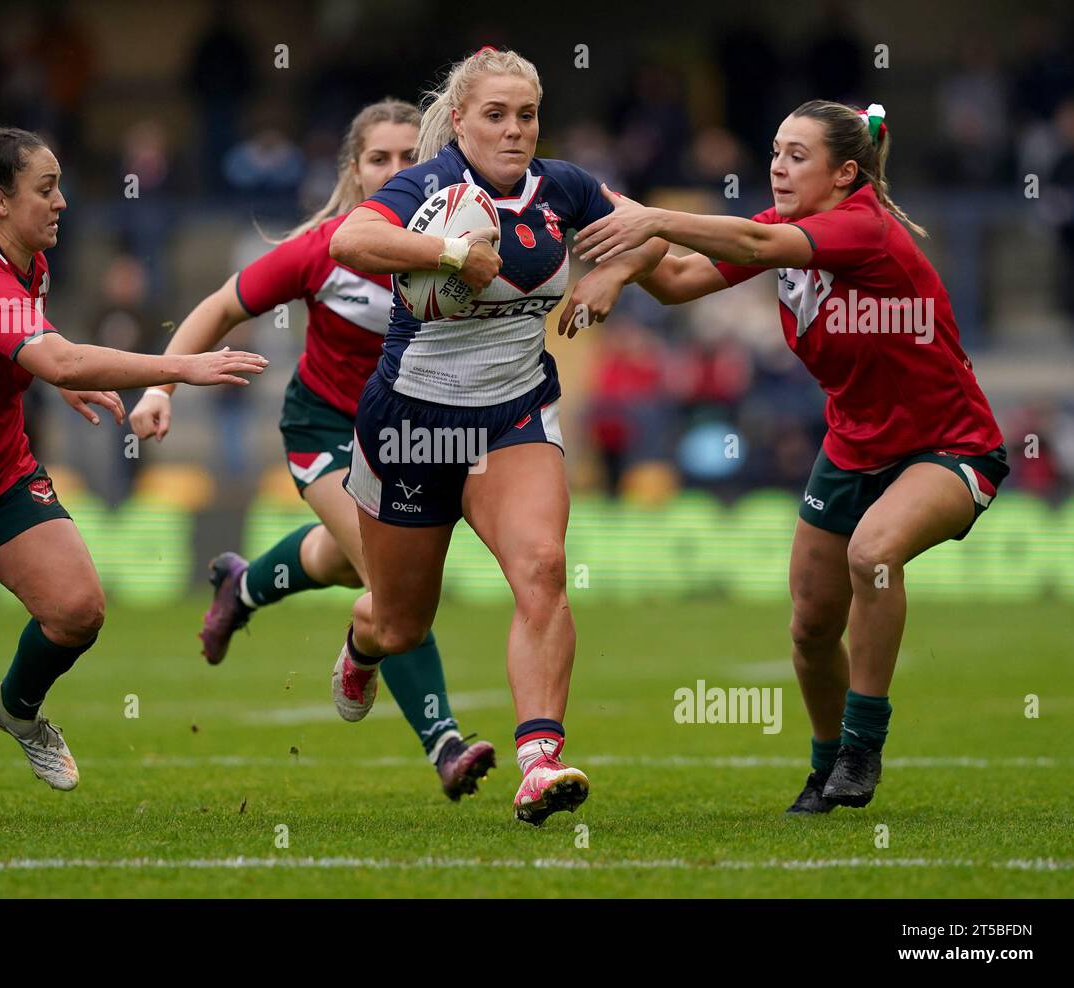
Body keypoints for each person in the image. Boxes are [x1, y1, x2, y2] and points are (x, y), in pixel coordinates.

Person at [574, 100, 1009, 811]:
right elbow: (681, 282)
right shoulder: (782, 229)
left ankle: (863, 747)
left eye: (797, 155)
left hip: (949, 445)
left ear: (844, 173)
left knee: (873, 550)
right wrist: (622, 260)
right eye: (775, 150)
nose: (777, 165)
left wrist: (648, 218)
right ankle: (826, 765)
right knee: (810, 628)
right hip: (852, 447)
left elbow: (749, 246)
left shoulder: (862, 227)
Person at [0, 121, 268, 821]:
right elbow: (59, 353)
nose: (63, 202)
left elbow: (23, 349)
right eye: (46, 189)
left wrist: (52, 378)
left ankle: (15, 708)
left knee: (77, 611)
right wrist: (179, 367)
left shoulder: (26, 262)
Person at [327, 48, 666, 825]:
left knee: (543, 567)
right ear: (461, 119)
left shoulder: (564, 186)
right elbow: (351, 241)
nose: (514, 130)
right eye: (496, 115)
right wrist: (450, 253)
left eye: (526, 114)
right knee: (402, 620)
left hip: (514, 415)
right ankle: (362, 641)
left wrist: (613, 272)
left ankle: (539, 762)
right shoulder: (427, 185)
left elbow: (648, 228)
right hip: (412, 425)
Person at [129, 100, 497, 801]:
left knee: (339, 556)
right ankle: (445, 743)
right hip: (325, 429)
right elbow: (219, 307)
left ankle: (249, 587)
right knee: (394, 589)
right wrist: (161, 387)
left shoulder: (463, 245)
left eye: (409, 157)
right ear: (355, 173)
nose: (396, 169)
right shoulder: (326, 248)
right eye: (379, 159)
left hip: (412, 439)